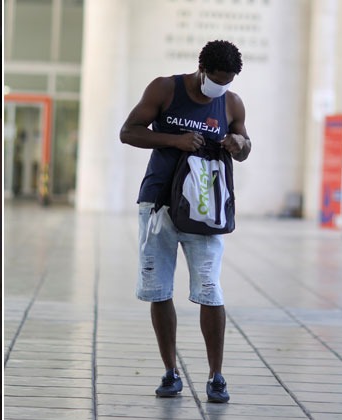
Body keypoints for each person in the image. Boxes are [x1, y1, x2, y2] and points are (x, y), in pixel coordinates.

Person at [119, 40, 250, 403]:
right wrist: (174, 141)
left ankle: (216, 376)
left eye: (228, 81)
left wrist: (238, 143)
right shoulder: (165, 88)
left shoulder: (232, 102)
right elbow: (128, 131)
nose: (220, 88)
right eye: (216, 80)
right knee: (159, 289)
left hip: (205, 209)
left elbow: (246, 145)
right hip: (158, 202)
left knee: (210, 288)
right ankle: (170, 371)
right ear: (201, 69)